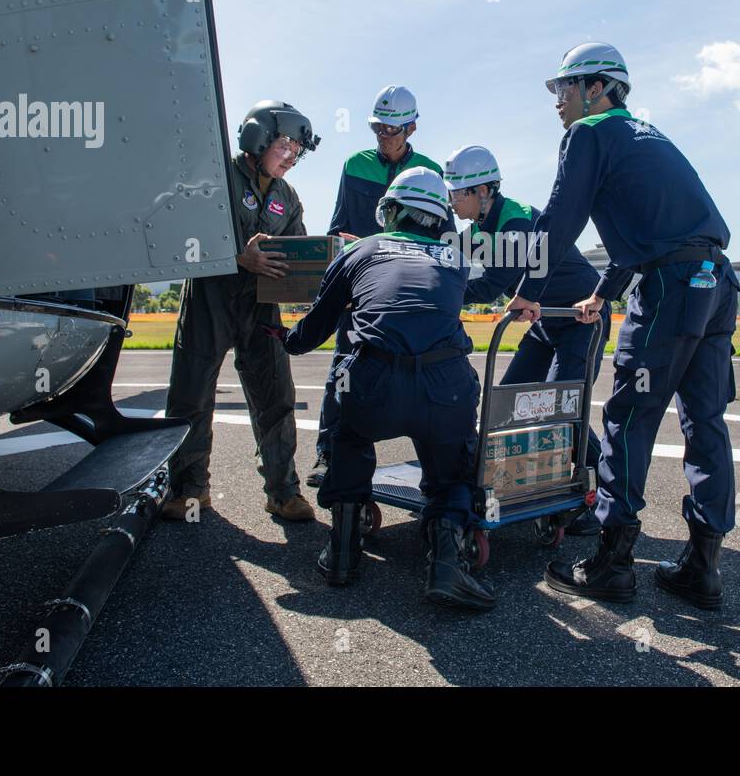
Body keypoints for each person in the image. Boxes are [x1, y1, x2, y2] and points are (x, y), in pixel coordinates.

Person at [506, 43, 740, 610]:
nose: (557, 101)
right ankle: (702, 565)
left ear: (596, 88)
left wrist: (526, 295)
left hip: (671, 288)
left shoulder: (588, 135)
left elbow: (561, 217)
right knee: (704, 420)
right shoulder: (646, 135)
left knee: (627, 416)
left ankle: (612, 562)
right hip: (715, 280)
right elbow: (650, 234)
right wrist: (601, 294)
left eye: (563, 88)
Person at [271, 167, 494, 611]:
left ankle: (343, 550)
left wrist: (285, 337)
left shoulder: (363, 250)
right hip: (445, 388)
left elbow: (316, 327)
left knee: (349, 438)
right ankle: (448, 563)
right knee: (452, 467)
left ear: (390, 210)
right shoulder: (456, 258)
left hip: (374, 385)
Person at [161, 101, 321, 523]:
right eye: (286, 144)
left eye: (297, 151)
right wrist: (237, 258)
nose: (291, 157)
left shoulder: (287, 197)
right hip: (209, 299)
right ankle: (189, 492)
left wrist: (321, 262)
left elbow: (297, 252)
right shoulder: (214, 177)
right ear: (258, 137)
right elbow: (181, 238)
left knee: (276, 398)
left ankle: (283, 491)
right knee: (191, 395)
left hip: (262, 307)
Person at [444, 144, 611, 536]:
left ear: (482, 191)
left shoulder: (515, 221)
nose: (452, 202)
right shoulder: (484, 226)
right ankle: (524, 479)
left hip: (579, 317)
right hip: (546, 321)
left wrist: (442, 296)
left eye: (457, 193)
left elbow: (492, 287)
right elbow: (449, 255)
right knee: (511, 397)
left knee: (562, 407)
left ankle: (608, 497)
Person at [309, 85, 447, 488]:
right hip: (363, 282)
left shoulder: (428, 171)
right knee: (343, 365)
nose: (384, 136)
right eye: (378, 127)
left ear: (412, 127)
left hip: (410, 283)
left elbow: (443, 233)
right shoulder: (355, 164)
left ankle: (440, 458)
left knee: (427, 365)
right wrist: (344, 245)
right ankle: (328, 454)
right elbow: (338, 225)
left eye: (393, 129)